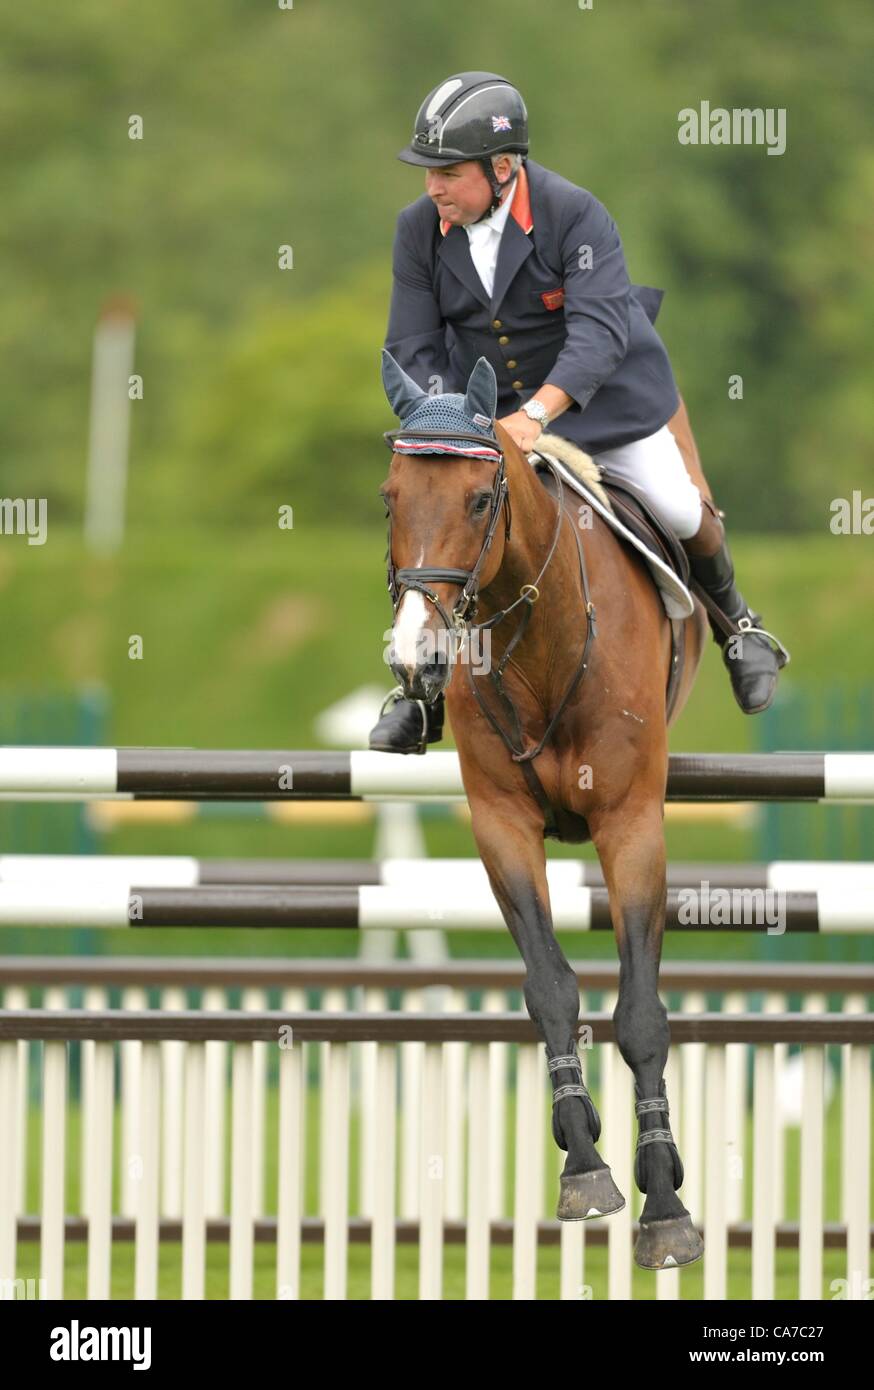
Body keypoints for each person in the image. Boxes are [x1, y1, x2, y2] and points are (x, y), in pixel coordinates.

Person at [371, 71, 787, 754]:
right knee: (430, 515)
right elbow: (412, 345)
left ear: (503, 167)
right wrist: (447, 418)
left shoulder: (575, 215)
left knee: (678, 507)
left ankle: (738, 627)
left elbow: (598, 335)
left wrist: (537, 413)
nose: (433, 187)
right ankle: (418, 689)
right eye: (428, 172)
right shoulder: (418, 230)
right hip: (487, 415)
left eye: (448, 171)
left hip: (603, 404)